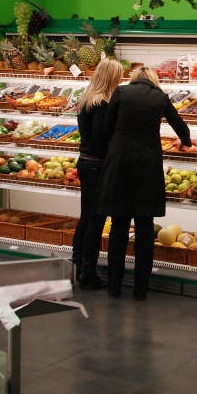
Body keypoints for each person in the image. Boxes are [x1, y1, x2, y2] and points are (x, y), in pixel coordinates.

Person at [97, 66, 192, 299]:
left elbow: (106, 129)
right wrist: (186, 142)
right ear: (153, 80)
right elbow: (181, 128)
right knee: (145, 226)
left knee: (119, 225)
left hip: (120, 164)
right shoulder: (160, 97)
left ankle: (114, 287)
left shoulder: (120, 92)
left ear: (134, 79)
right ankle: (141, 289)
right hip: (147, 166)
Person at [71, 59, 124, 289]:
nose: (121, 80)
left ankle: (76, 264)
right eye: (119, 76)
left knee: (86, 216)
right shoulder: (102, 103)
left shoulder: (86, 99)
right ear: (111, 78)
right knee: (96, 218)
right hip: (96, 165)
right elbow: (101, 136)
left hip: (85, 162)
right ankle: (88, 273)